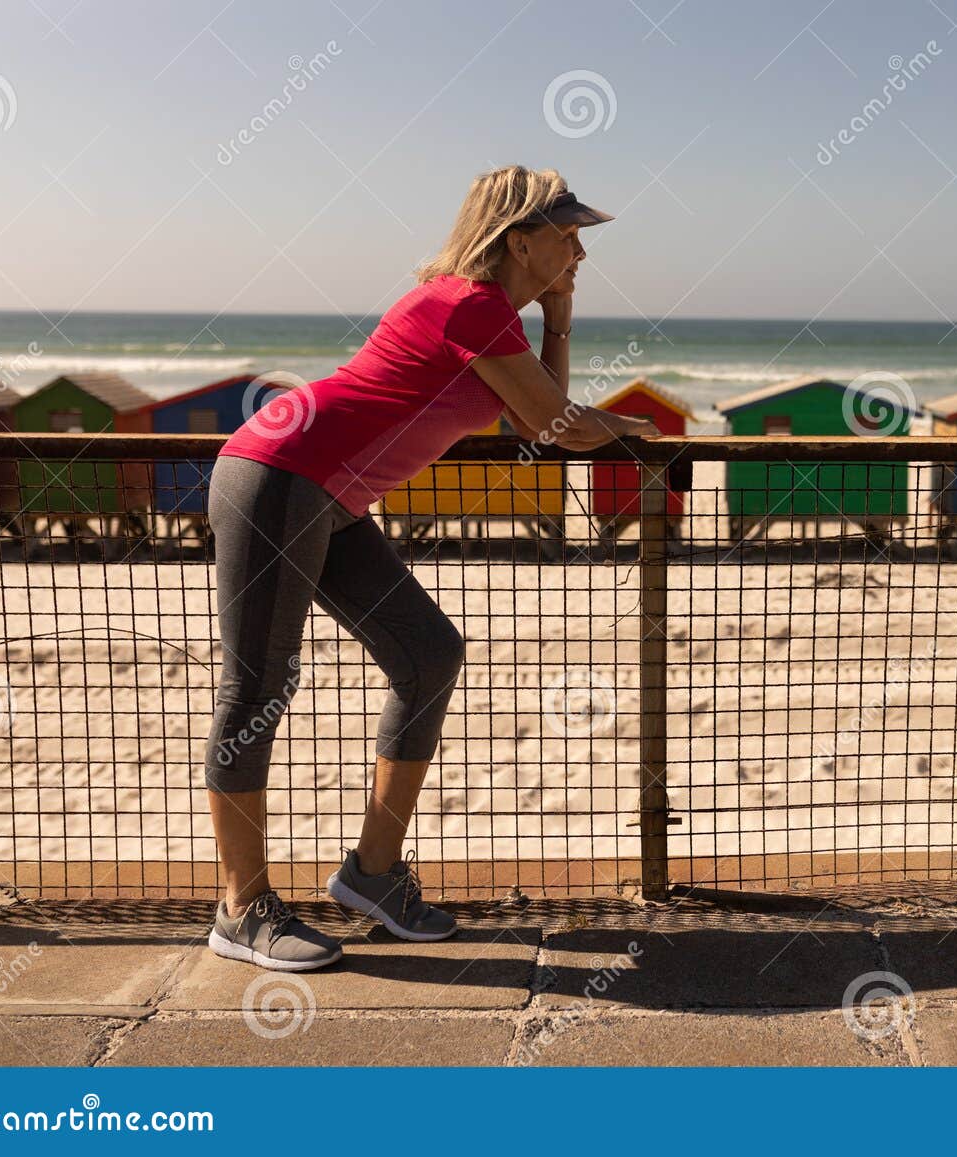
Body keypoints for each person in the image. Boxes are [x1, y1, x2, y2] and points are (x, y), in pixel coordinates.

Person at [202, 165, 659, 971]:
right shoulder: (467, 304)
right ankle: (240, 909)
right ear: (519, 239)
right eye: (569, 235)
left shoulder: (488, 314)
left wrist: (559, 314)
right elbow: (555, 421)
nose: (582, 252)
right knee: (256, 685)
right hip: (277, 474)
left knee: (428, 654)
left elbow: (536, 409)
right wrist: (635, 426)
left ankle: (372, 875)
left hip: (329, 492)